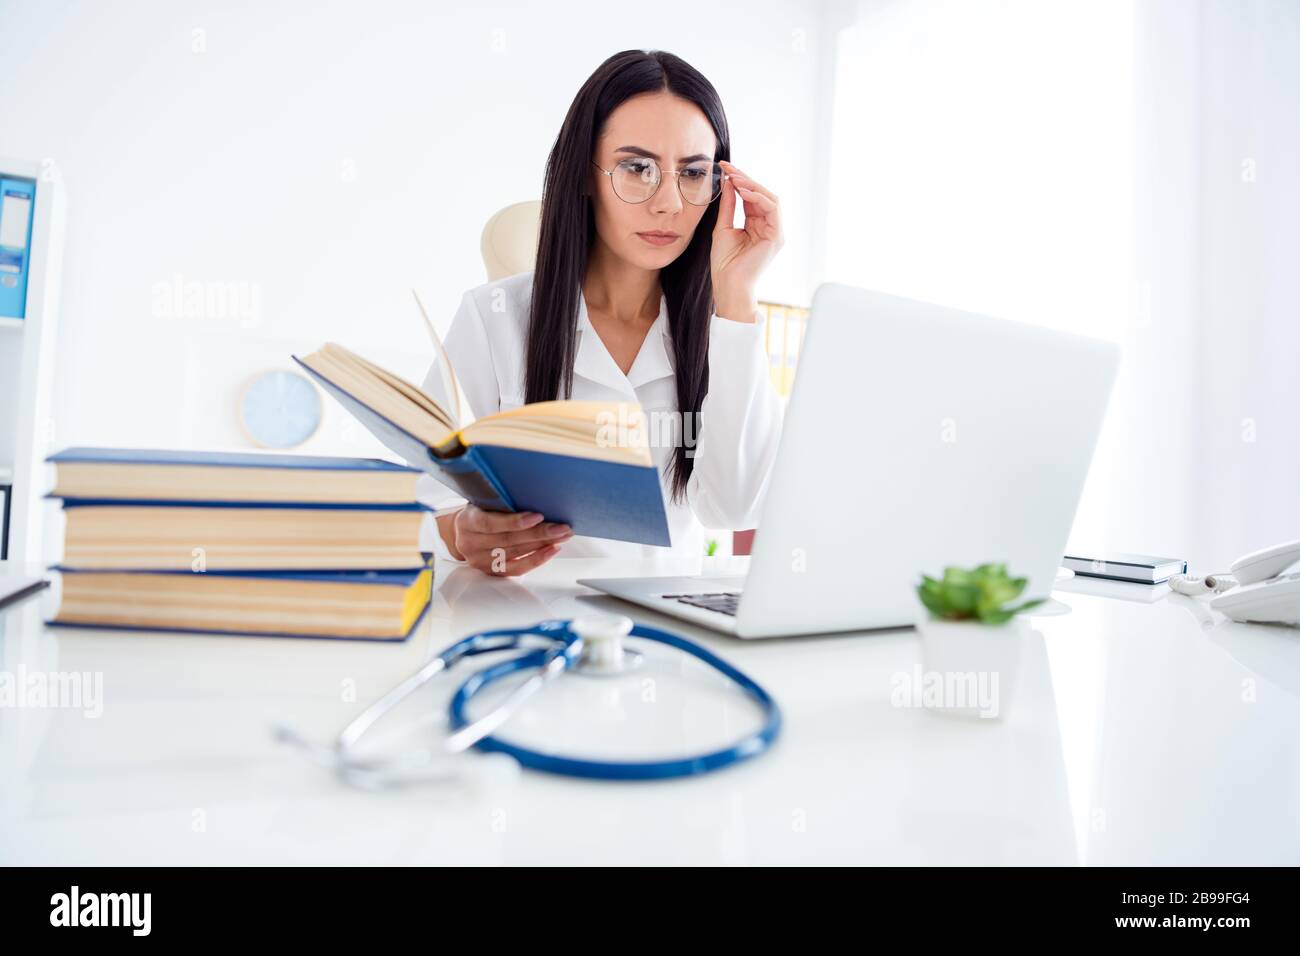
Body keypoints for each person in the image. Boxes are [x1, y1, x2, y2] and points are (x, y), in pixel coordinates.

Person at [423, 49, 784, 576]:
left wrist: (736, 296)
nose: (668, 203)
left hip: (666, 625)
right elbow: (418, 493)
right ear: (587, 175)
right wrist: (457, 530)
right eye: (637, 168)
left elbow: (734, 508)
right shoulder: (494, 316)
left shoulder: (724, 329)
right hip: (527, 618)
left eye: (692, 172)